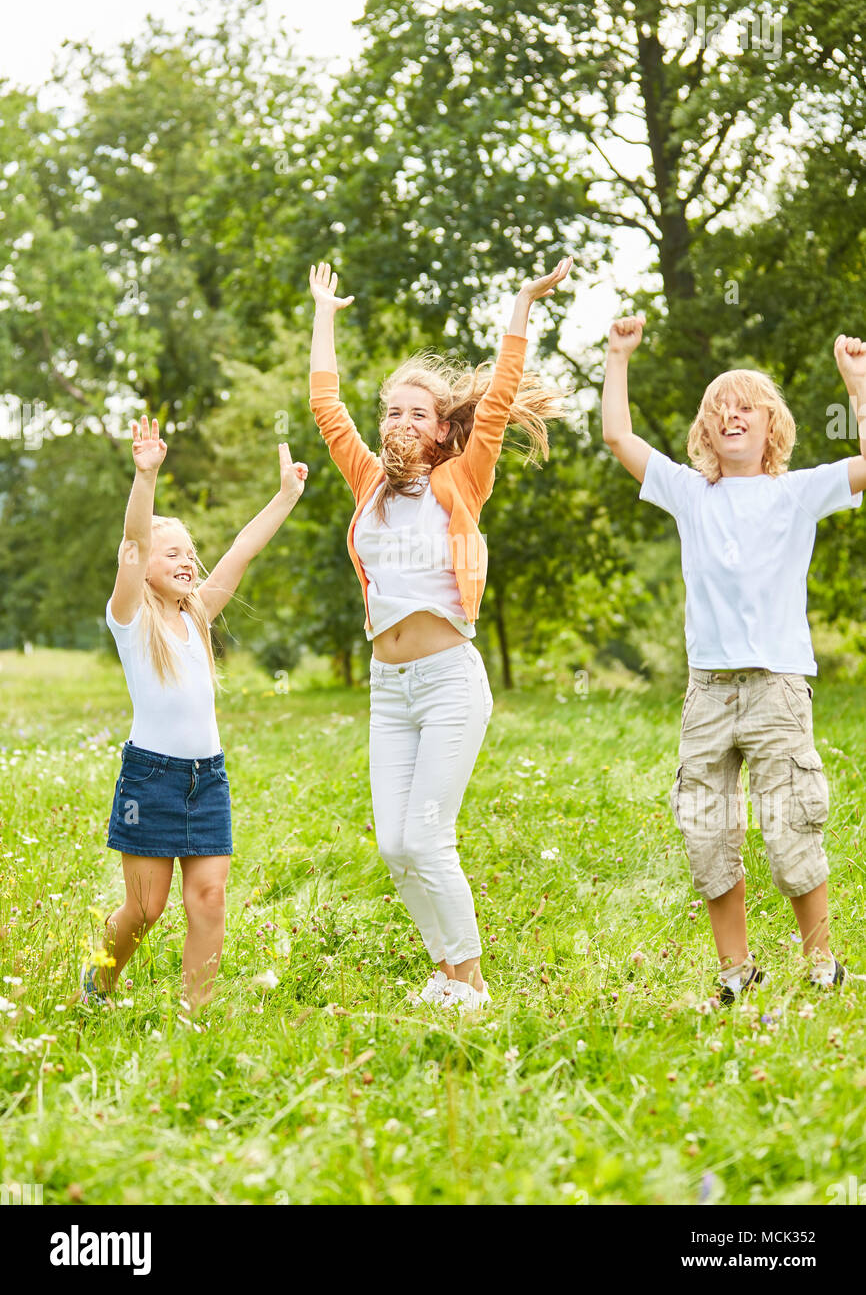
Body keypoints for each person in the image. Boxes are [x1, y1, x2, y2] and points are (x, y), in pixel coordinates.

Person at [308, 257, 571, 1011]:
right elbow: (327, 406)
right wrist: (326, 314)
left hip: (450, 681)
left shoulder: (462, 480)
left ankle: (472, 979)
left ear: (442, 429)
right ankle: (444, 970)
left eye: (415, 413)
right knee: (394, 845)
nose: (398, 422)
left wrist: (520, 298)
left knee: (427, 837)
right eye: (391, 410)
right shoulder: (367, 483)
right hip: (387, 688)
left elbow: (501, 400)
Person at [602, 314, 866, 1001]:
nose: (731, 414)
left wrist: (858, 387)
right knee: (706, 832)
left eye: (745, 405)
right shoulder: (693, 495)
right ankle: (736, 973)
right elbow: (617, 437)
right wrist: (617, 356)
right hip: (709, 693)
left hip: (777, 687)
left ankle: (822, 964)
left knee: (791, 829)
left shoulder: (797, 491)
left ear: (770, 425)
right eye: (719, 409)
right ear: (705, 432)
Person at [82, 416, 307, 1012]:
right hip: (150, 778)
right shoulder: (130, 619)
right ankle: (98, 982)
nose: (186, 560)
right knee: (145, 908)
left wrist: (284, 497)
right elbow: (133, 543)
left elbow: (241, 550)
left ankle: (195, 1016)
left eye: (189, 552)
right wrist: (145, 475)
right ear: (145, 565)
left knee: (208, 899)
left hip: (206, 778)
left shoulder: (197, 617)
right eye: (171, 552)